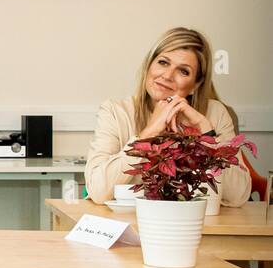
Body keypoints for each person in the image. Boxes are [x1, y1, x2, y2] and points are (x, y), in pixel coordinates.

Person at [86, 27, 250, 205]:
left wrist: (206, 133)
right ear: (149, 65)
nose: (167, 76)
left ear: (196, 84)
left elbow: (238, 196)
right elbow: (98, 191)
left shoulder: (215, 113)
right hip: (130, 224)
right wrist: (147, 134)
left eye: (183, 71)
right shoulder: (115, 111)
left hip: (194, 226)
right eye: (163, 62)